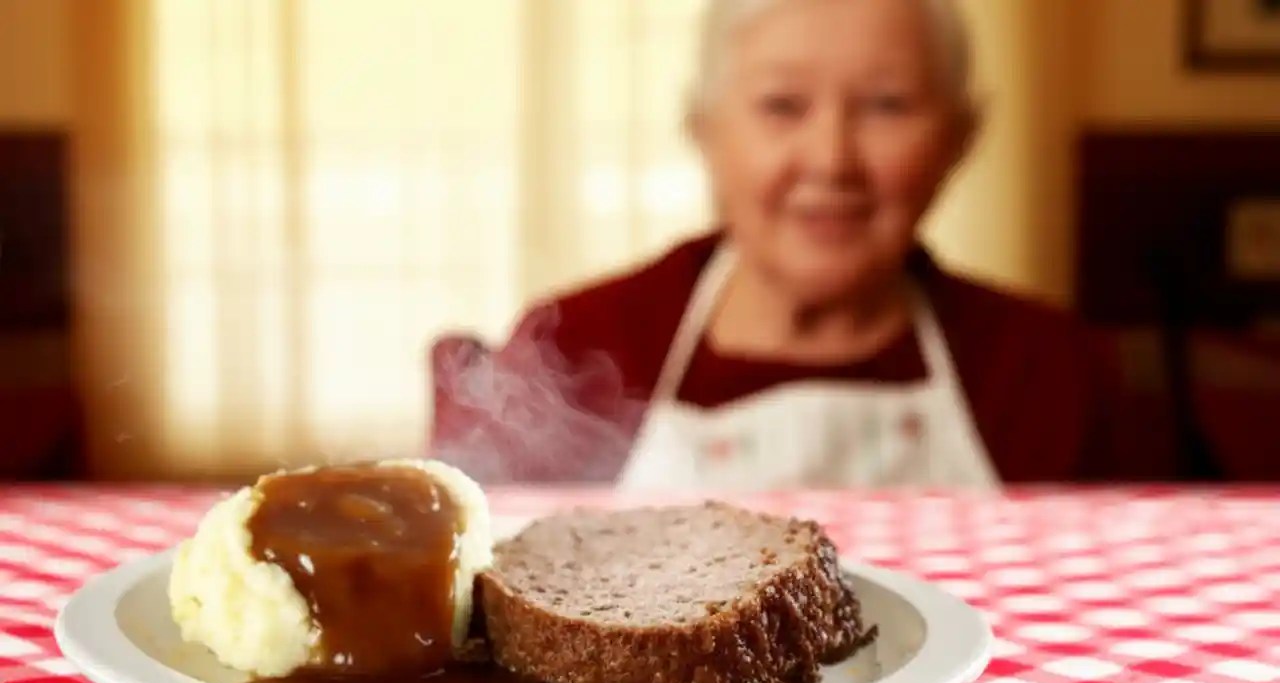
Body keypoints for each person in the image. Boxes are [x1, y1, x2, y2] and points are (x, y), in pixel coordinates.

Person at [430, 0, 1135, 490]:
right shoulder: (580, 346)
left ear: (958, 137)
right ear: (705, 130)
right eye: (781, 106)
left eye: (886, 105)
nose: (831, 160)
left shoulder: (1050, 371)